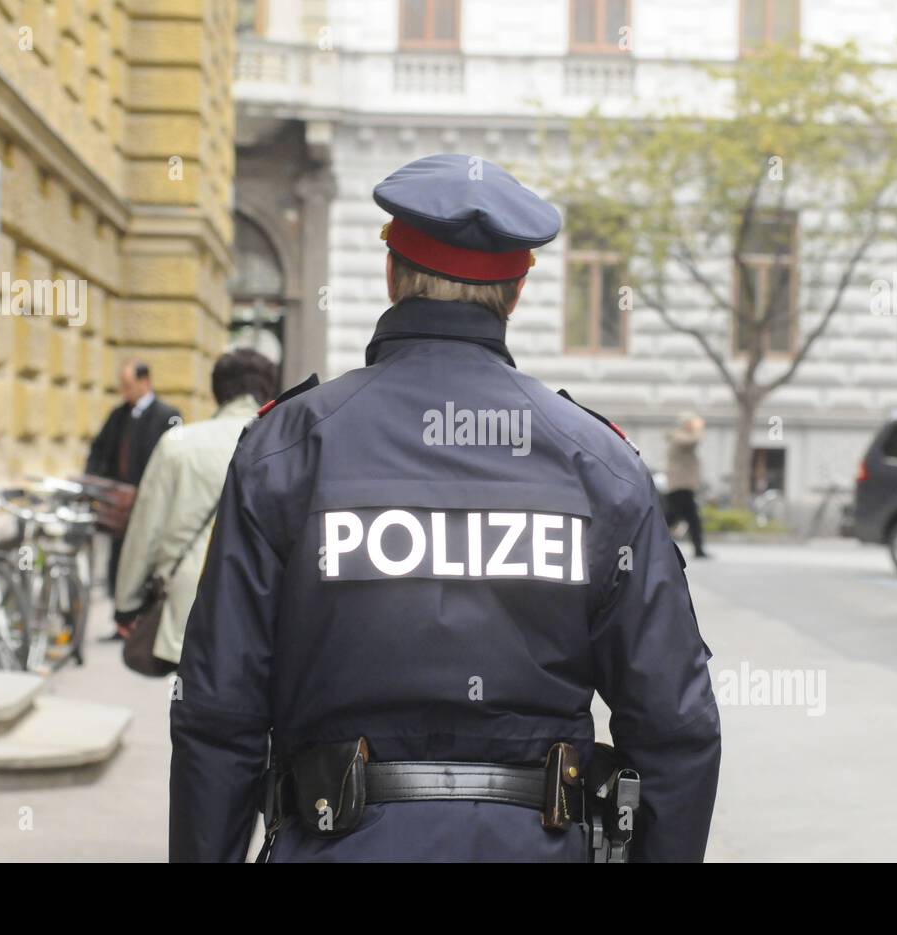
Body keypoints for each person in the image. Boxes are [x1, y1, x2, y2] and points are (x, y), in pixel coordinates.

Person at [170, 154, 720, 863]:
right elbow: (677, 725)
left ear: (393, 274)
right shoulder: (599, 465)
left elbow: (218, 715)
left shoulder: (288, 449)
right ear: (516, 292)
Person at [112, 349, 279, 670]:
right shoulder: (287, 441)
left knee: (189, 700)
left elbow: (146, 530)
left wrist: (127, 605)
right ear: (267, 390)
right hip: (264, 606)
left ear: (216, 391)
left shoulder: (178, 443)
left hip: (188, 604)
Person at [85, 361, 181, 616]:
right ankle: (122, 610)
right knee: (119, 557)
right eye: (122, 386)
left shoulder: (167, 415)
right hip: (119, 503)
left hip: (151, 500)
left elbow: (173, 455)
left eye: (128, 386)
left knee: (146, 555)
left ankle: (143, 611)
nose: (124, 391)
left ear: (144, 382)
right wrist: (96, 482)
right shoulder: (119, 415)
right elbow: (99, 449)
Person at [665, 413, 711, 558]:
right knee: (677, 517)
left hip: (683, 485)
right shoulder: (679, 437)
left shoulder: (680, 436)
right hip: (680, 485)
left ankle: (698, 549)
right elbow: (693, 441)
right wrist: (698, 429)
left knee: (681, 517)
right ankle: (698, 549)